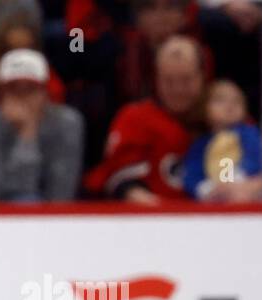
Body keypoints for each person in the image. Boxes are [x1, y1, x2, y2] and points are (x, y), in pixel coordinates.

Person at [84, 34, 205, 202]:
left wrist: (231, 183)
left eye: (186, 80)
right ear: (156, 79)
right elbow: (121, 179)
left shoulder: (221, 119)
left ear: (202, 77)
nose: (178, 90)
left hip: (216, 220)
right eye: (169, 81)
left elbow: (232, 168)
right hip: (152, 218)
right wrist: (157, 211)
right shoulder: (135, 118)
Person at [0, 48, 84, 200]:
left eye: (30, 89)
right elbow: (7, 188)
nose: (22, 97)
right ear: (1, 92)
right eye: (14, 89)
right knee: (25, 198)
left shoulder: (67, 122)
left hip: (56, 214)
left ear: (44, 92)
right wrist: (27, 133)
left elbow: (62, 190)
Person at [182, 77, 262, 203]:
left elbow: (255, 158)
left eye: (236, 101)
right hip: (213, 200)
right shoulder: (201, 144)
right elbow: (192, 173)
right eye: (220, 100)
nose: (229, 106)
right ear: (204, 108)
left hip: (244, 191)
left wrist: (234, 180)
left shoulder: (249, 134)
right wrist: (206, 189)